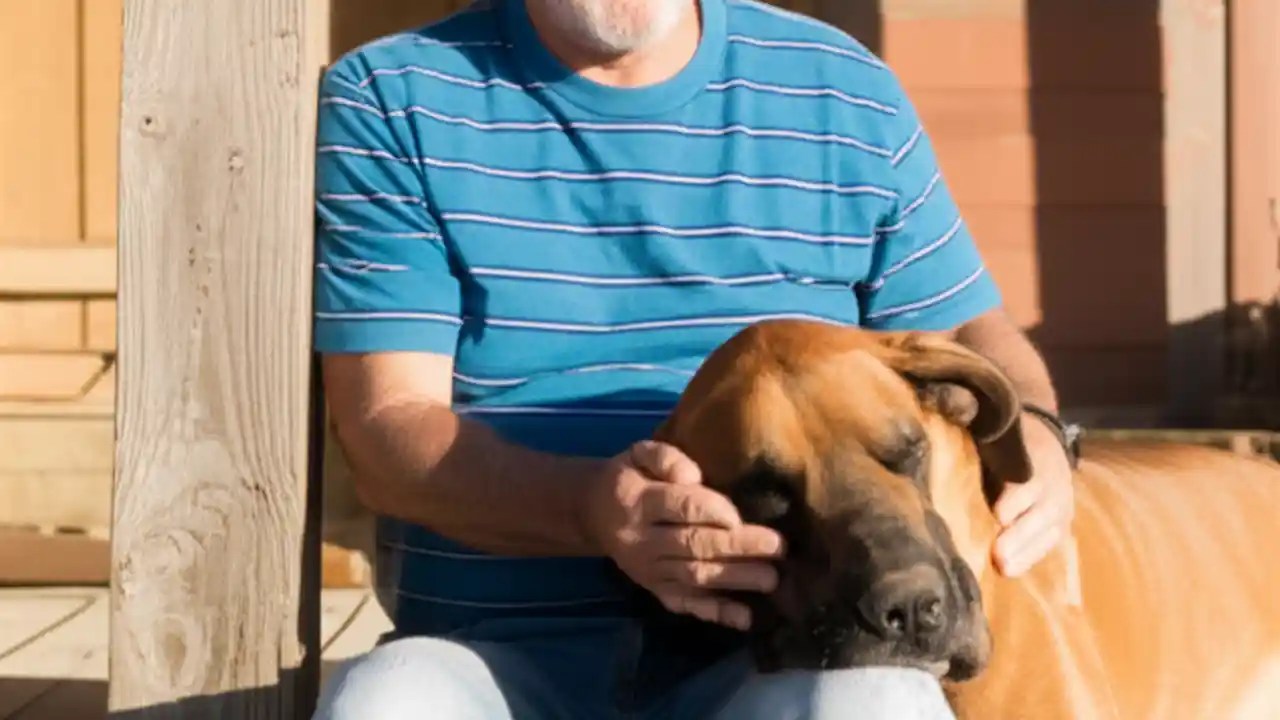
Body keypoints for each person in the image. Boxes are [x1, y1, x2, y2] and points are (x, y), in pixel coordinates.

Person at [310, 0, 1075, 716]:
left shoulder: (843, 91)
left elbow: (974, 334)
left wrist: (1039, 430)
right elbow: (388, 430)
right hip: (495, 657)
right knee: (385, 702)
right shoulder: (394, 96)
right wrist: (590, 511)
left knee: (876, 702)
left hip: (786, 651)